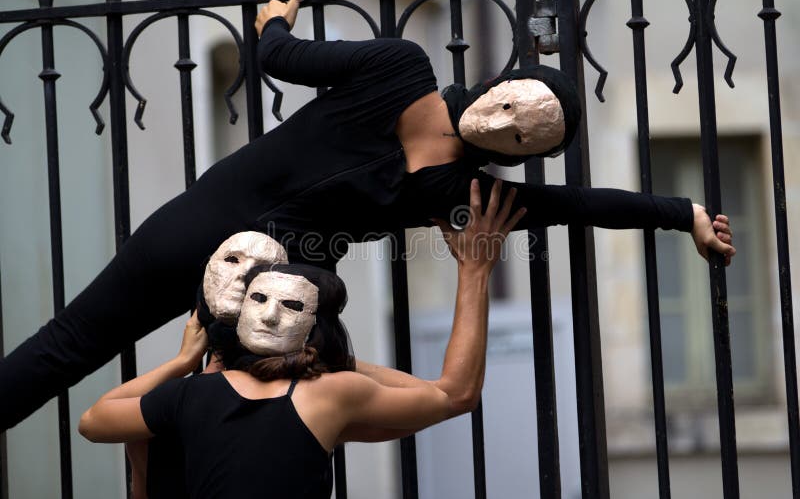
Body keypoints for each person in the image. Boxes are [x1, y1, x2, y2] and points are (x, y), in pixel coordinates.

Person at [0, 0, 736, 430]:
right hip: (232, 248)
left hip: (256, 280)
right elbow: (282, 57)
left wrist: (681, 214)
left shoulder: (449, 184)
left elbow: (576, 203)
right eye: (516, 104)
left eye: (524, 135)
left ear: (517, 154)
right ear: (498, 81)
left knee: (208, 409)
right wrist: (274, 26)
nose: (509, 123)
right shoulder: (401, 74)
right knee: (100, 355)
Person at [79, 182, 525, 499]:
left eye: (290, 306)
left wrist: (180, 362)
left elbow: (93, 421)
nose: (272, 313)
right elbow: (454, 394)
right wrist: (475, 270)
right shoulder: (329, 398)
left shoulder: (179, 398)